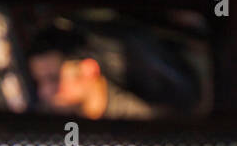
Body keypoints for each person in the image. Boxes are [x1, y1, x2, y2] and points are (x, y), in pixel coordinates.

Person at [26, 25, 154, 120]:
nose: (43, 92)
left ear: (90, 69)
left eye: (54, 78)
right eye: (38, 82)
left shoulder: (141, 119)